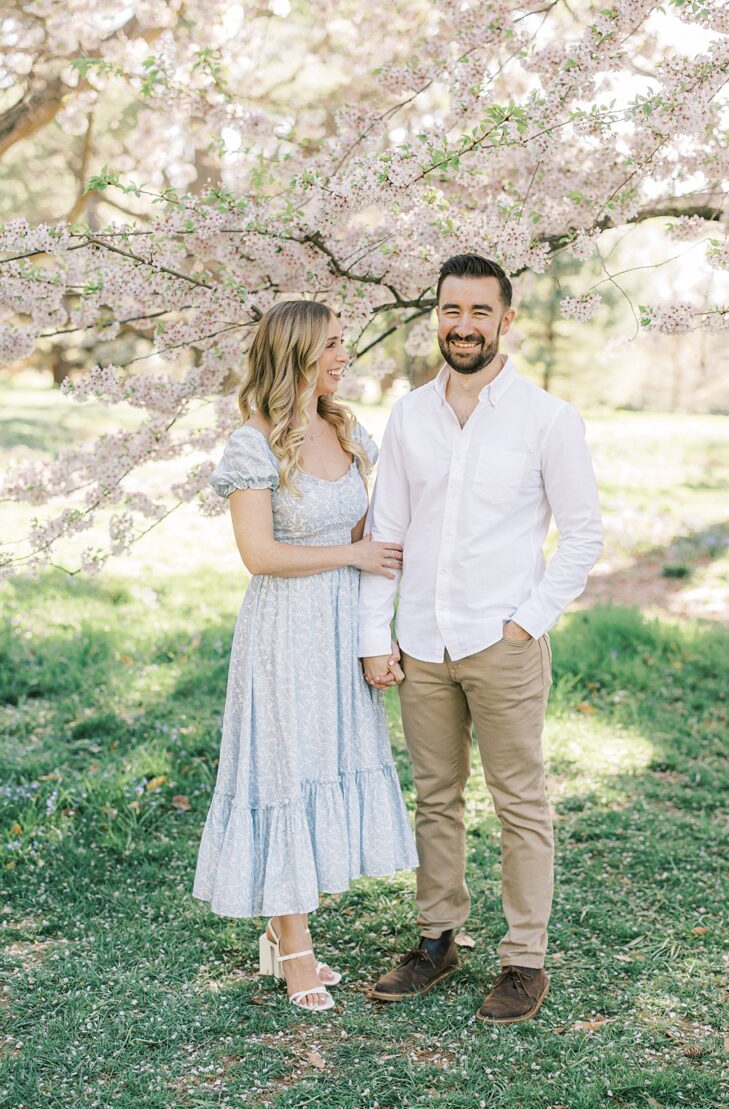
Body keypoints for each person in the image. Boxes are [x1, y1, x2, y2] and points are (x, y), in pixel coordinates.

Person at [359, 253, 603, 1025]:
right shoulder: (408, 415)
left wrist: (526, 621)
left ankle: (524, 958)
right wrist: (377, 633)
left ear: (507, 320)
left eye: (479, 312)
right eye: (450, 311)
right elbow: (388, 531)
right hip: (422, 643)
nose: (463, 326)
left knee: (519, 801)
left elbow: (584, 535)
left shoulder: (547, 419)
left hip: (503, 643)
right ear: (437, 315)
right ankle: (437, 938)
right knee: (436, 797)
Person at [194, 299, 418, 1013]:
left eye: (343, 341)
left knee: (324, 763)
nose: (344, 355)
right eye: (332, 343)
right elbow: (258, 554)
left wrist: (373, 638)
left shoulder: (346, 431)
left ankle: (281, 925)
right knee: (287, 773)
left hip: (336, 629)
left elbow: (375, 536)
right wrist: (351, 552)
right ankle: (295, 951)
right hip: (284, 634)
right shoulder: (253, 444)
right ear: (295, 354)